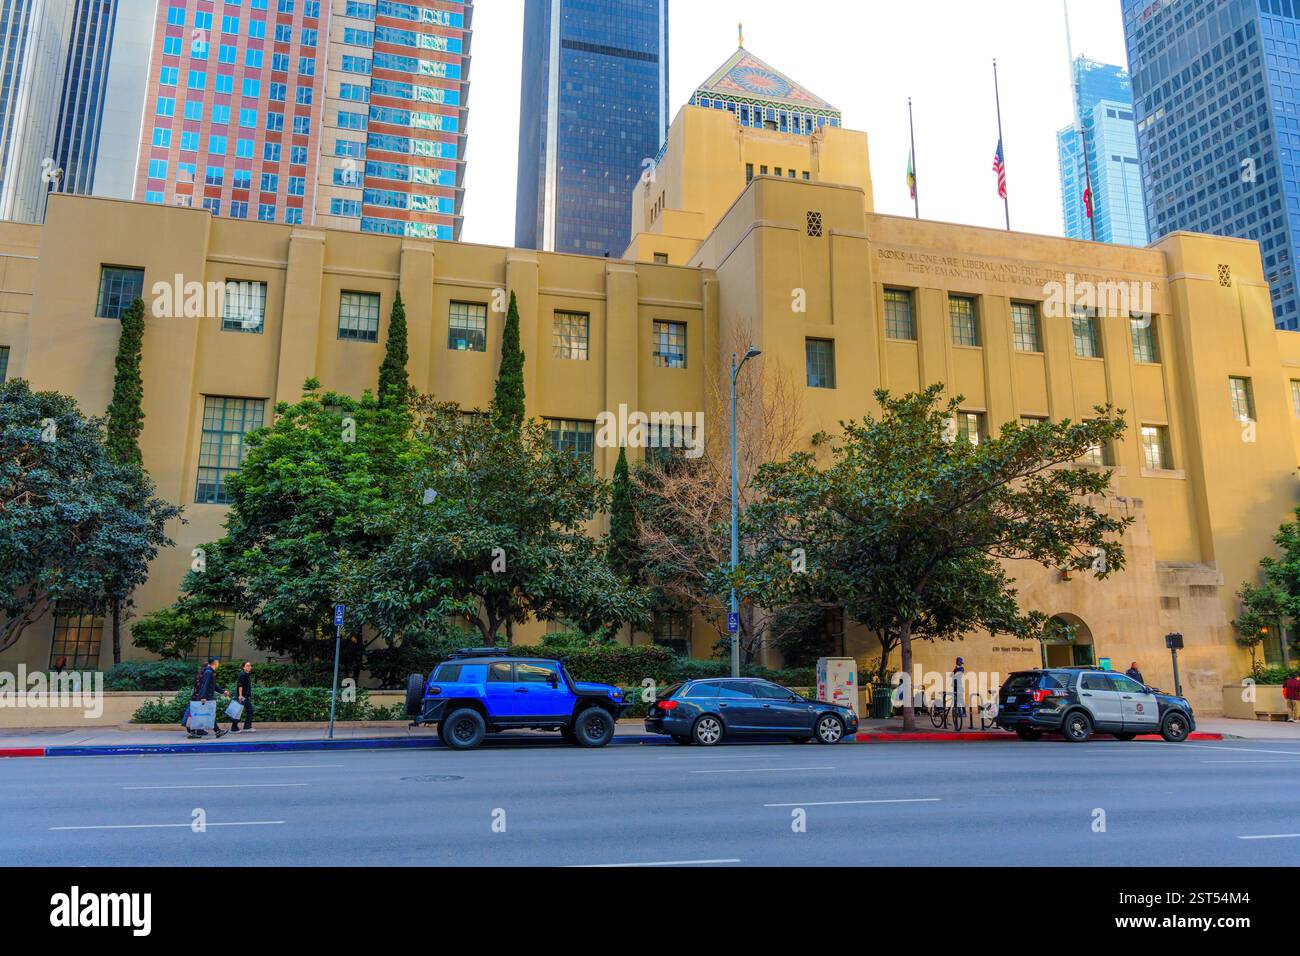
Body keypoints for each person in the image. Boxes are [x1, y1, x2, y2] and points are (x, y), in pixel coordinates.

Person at [186, 657, 229, 739]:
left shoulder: (210, 672)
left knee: (209, 714)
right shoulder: (209, 672)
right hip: (205, 697)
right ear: (215, 662)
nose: (218, 664)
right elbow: (204, 685)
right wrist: (203, 697)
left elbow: (213, 685)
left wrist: (223, 691)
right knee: (202, 715)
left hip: (206, 697)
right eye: (218, 662)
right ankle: (215, 731)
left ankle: (217, 731)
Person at [230, 661, 254, 733]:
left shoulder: (247, 674)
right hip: (242, 697)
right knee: (237, 711)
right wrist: (240, 696)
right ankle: (234, 728)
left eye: (250, 665)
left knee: (250, 710)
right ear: (243, 667)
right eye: (247, 666)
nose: (249, 667)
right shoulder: (242, 674)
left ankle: (247, 727)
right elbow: (240, 685)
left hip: (246, 697)